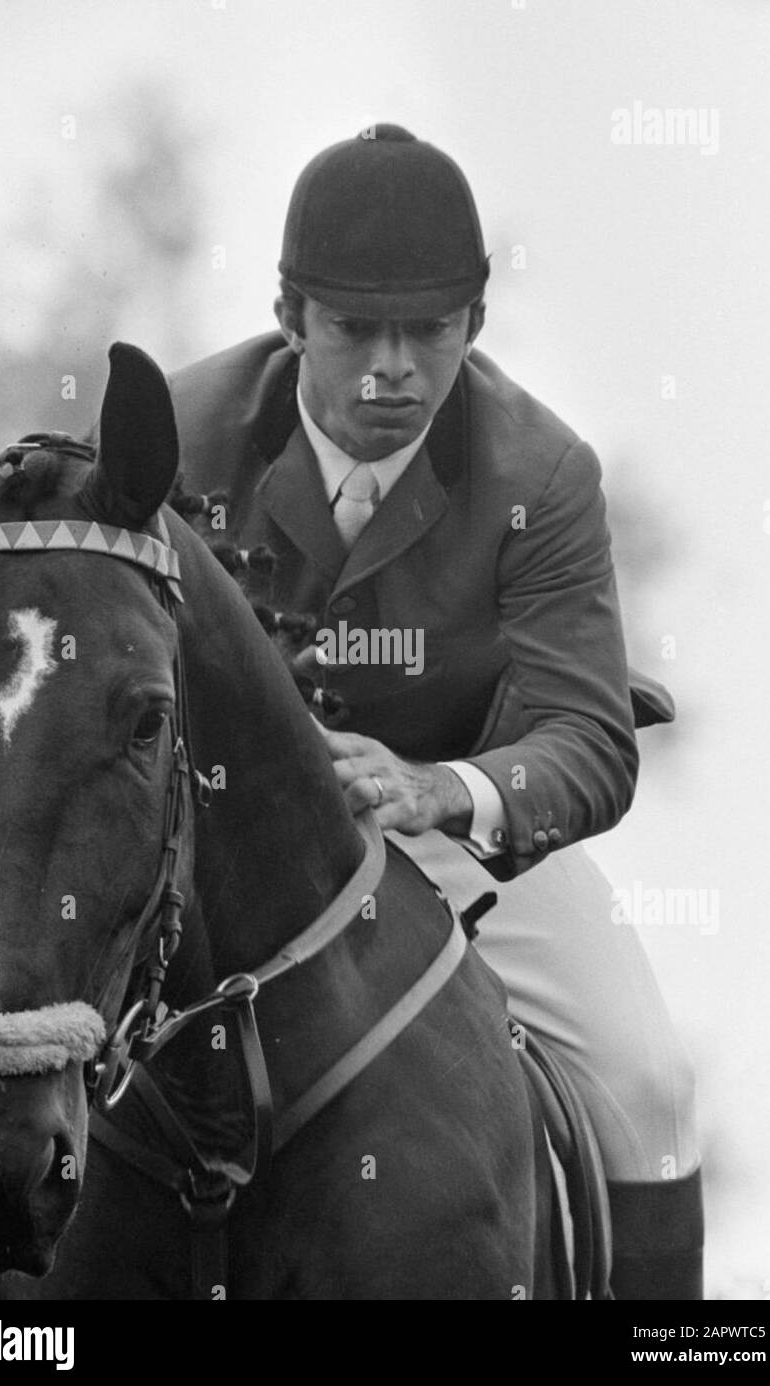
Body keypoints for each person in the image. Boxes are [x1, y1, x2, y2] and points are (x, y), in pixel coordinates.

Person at [169, 124, 702, 1299]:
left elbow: (587, 741)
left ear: (476, 322)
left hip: (463, 838)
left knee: (650, 1082)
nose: (391, 370)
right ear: (289, 313)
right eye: (356, 330)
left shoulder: (545, 474)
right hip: (225, 842)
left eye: (429, 330)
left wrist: (436, 790)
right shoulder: (179, 440)